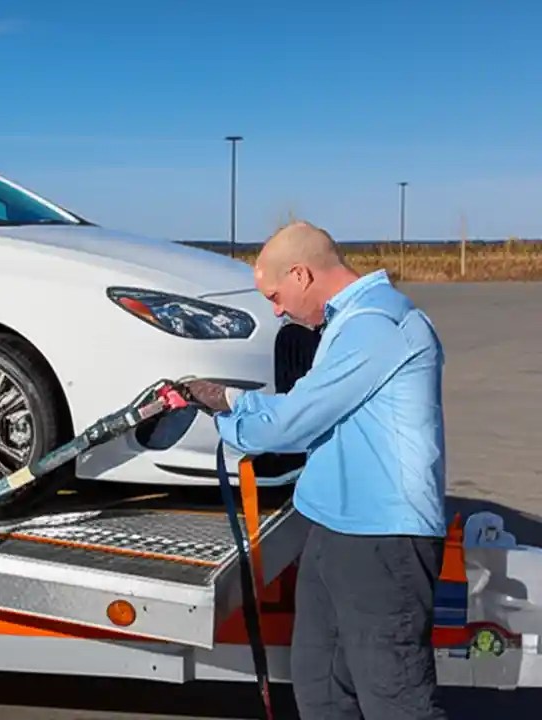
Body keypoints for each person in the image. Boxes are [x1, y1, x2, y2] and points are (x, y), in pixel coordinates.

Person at [183, 221, 448, 720]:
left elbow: (294, 423)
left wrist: (229, 419)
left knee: (395, 700)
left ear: (302, 274)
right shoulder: (348, 323)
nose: (278, 310)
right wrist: (229, 399)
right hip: (331, 528)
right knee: (320, 686)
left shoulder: (377, 325)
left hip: (381, 540)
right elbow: (309, 404)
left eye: (277, 295)